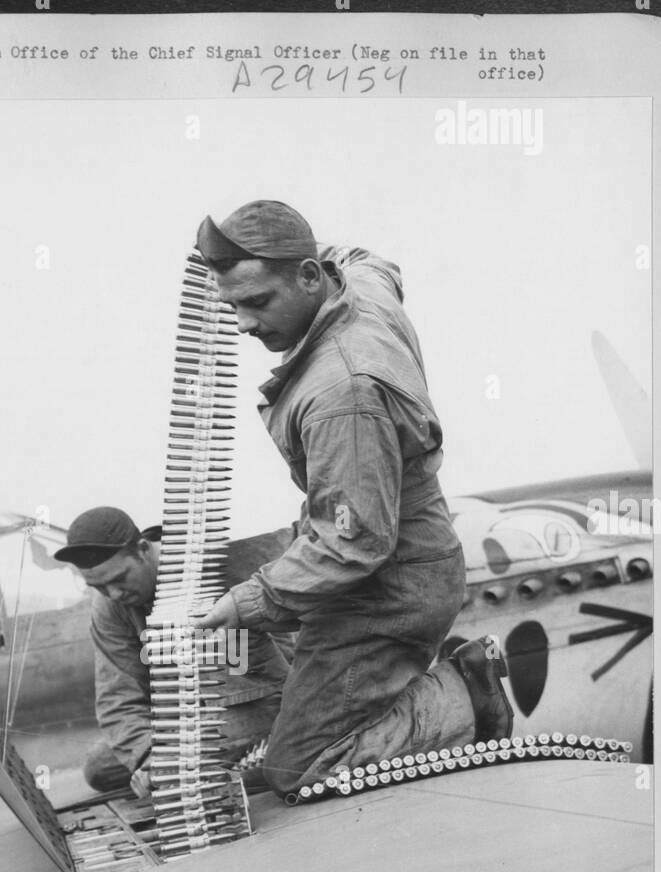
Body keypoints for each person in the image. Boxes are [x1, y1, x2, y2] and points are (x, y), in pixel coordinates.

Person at [194, 200, 513, 798]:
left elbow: (355, 540)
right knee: (303, 708)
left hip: (384, 588)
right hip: (404, 561)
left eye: (257, 302)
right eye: (232, 305)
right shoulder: (359, 290)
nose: (242, 324)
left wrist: (247, 602)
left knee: (299, 766)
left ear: (310, 278)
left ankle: (466, 696)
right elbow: (370, 260)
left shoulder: (342, 390)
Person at [54, 506, 289, 797]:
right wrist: (149, 756)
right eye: (99, 587)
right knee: (99, 766)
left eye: (119, 579)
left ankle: (244, 760)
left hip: (257, 703)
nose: (114, 594)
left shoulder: (214, 562)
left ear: (142, 550)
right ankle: (217, 766)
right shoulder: (111, 605)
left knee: (228, 746)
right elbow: (118, 697)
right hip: (185, 723)